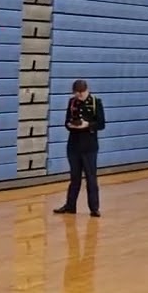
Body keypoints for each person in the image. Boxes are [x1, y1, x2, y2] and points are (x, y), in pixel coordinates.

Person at [54, 79, 106, 217]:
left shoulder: (95, 102)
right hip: (74, 146)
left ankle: (94, 208)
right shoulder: (72, 102)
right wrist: (70, 125)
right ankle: (70, 206)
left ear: (87, 90)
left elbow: (101, 124)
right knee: (74, 178)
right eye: (77, 94)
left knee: (91, 178)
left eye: (82, 93)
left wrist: (87, 125)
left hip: (89, 147)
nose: (80, 96)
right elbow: (66, 121)